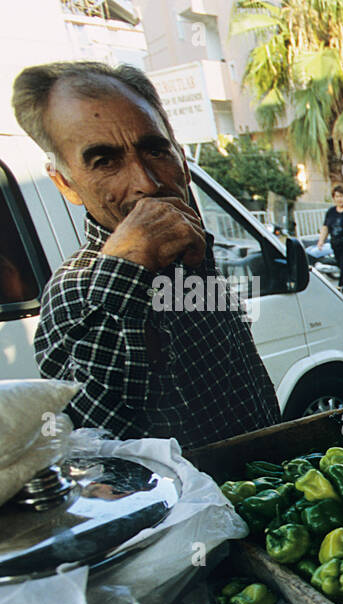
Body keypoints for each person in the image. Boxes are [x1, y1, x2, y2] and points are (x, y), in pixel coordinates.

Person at [11, 60, 279, 447]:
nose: (147, 184)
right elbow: (98, 441)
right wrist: (126, 273)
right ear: (65, 184)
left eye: (155, 151)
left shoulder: (191, 252)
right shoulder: (77, 290)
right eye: (105, 161)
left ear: (182, 162)